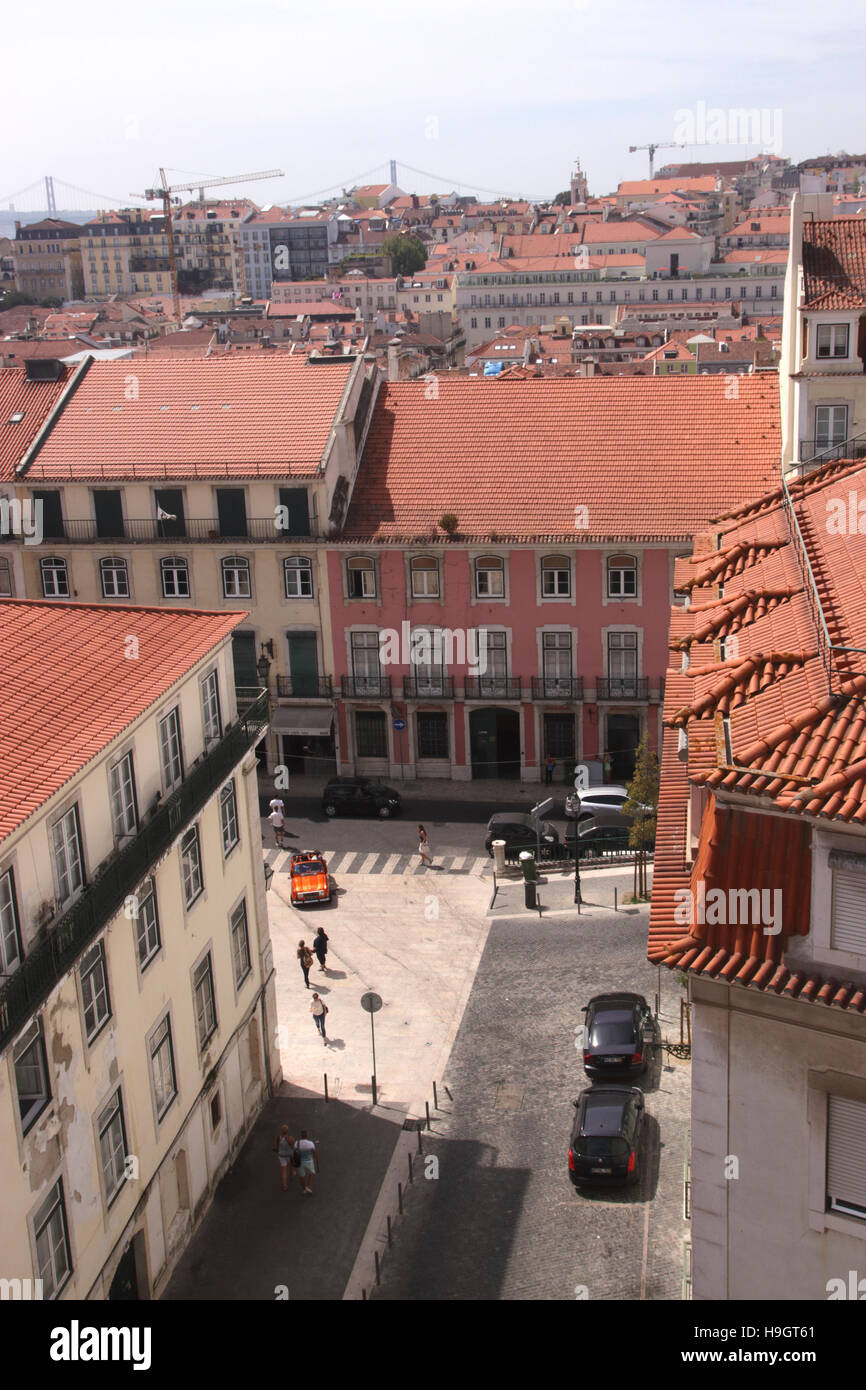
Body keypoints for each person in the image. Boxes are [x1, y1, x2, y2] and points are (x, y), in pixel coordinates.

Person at [274, 1125, 295, 1191]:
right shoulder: (290, 1138)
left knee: (283, 1171)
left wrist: (277, 1150)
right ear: (287, 1131)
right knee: (291, 1165)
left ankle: (284, 1186)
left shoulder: (278, 1138)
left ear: (281, 1131)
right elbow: (293, 1147)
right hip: (289, 1155)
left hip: (282, 1155)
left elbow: (277, 1147)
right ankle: (291, 1175)